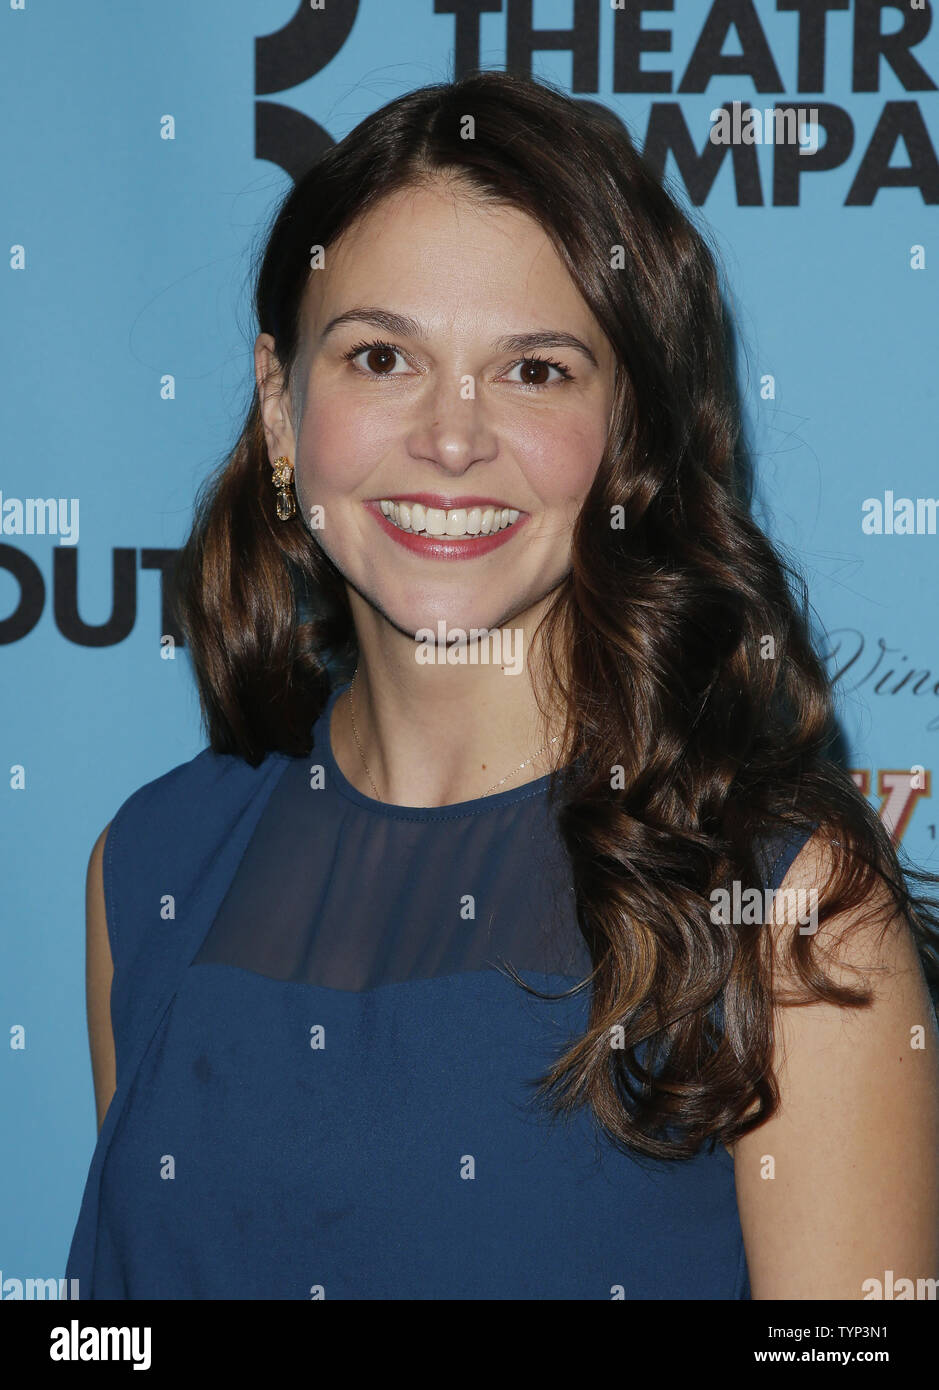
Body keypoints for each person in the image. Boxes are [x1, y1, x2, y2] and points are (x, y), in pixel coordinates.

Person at [67, 69, 939, 1300]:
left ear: (627, 434)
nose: (452, 435)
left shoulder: (788, 909)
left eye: (535, 371)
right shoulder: (150, 866)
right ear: (279, 406)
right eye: (381, 356)